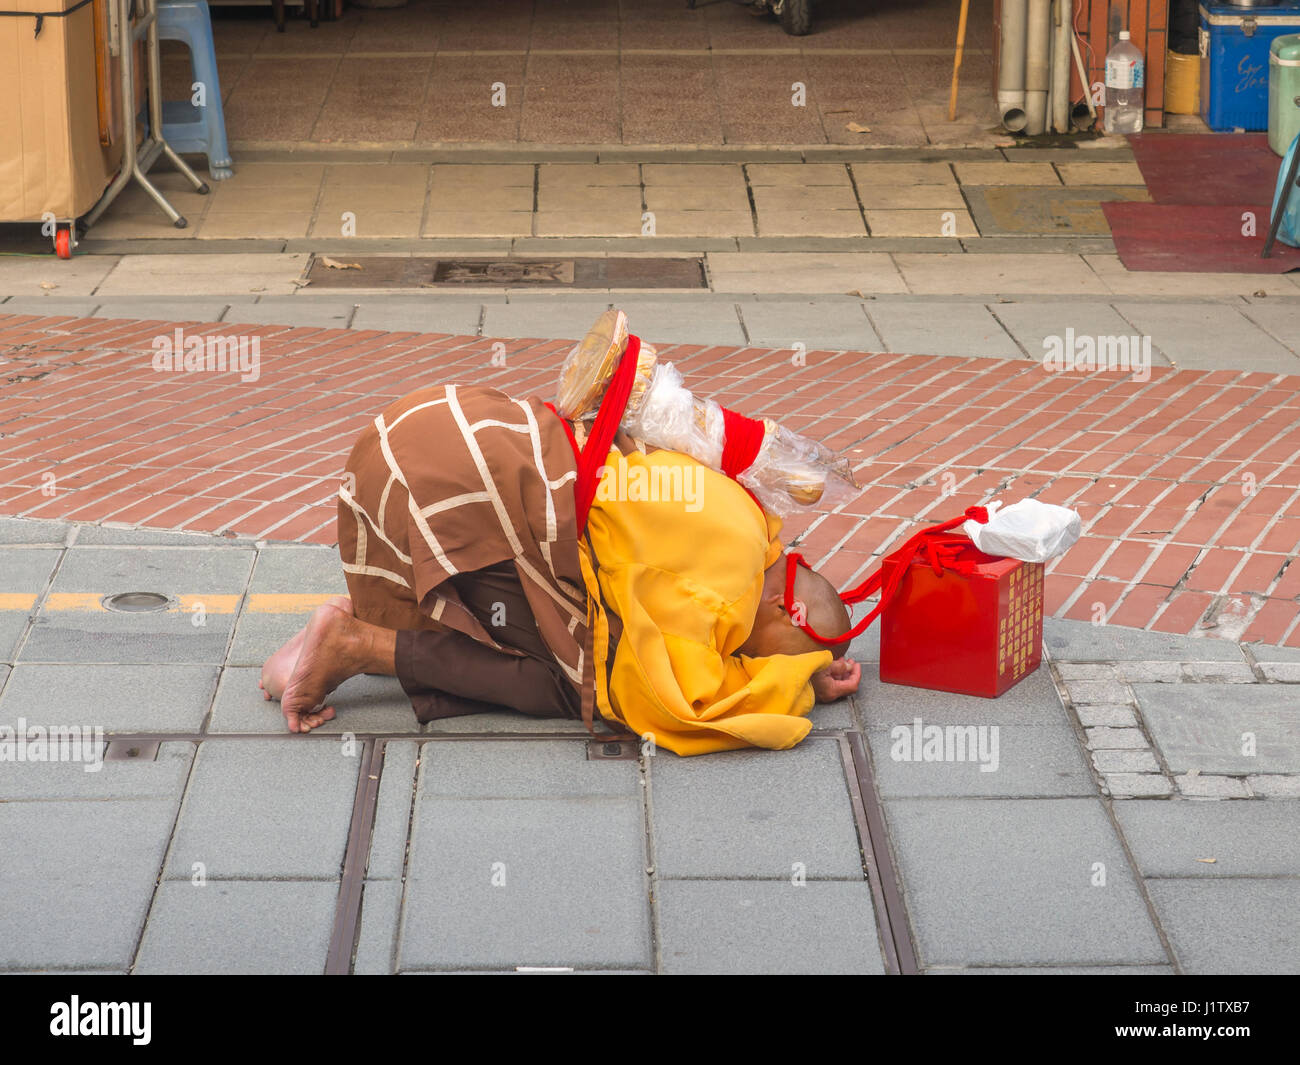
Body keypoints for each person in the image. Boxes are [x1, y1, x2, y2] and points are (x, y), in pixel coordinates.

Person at [261, 377, 861, 756]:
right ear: (790, 608)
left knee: (553, 609)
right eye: (775, 649)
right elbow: (675, 705)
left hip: (435, 427)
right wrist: (796, 682)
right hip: (451, 488)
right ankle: (358, 645)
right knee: (582, 684)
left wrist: (808, 657)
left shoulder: (747, 516)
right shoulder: (729, 589)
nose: (748, 657)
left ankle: (358, 628)